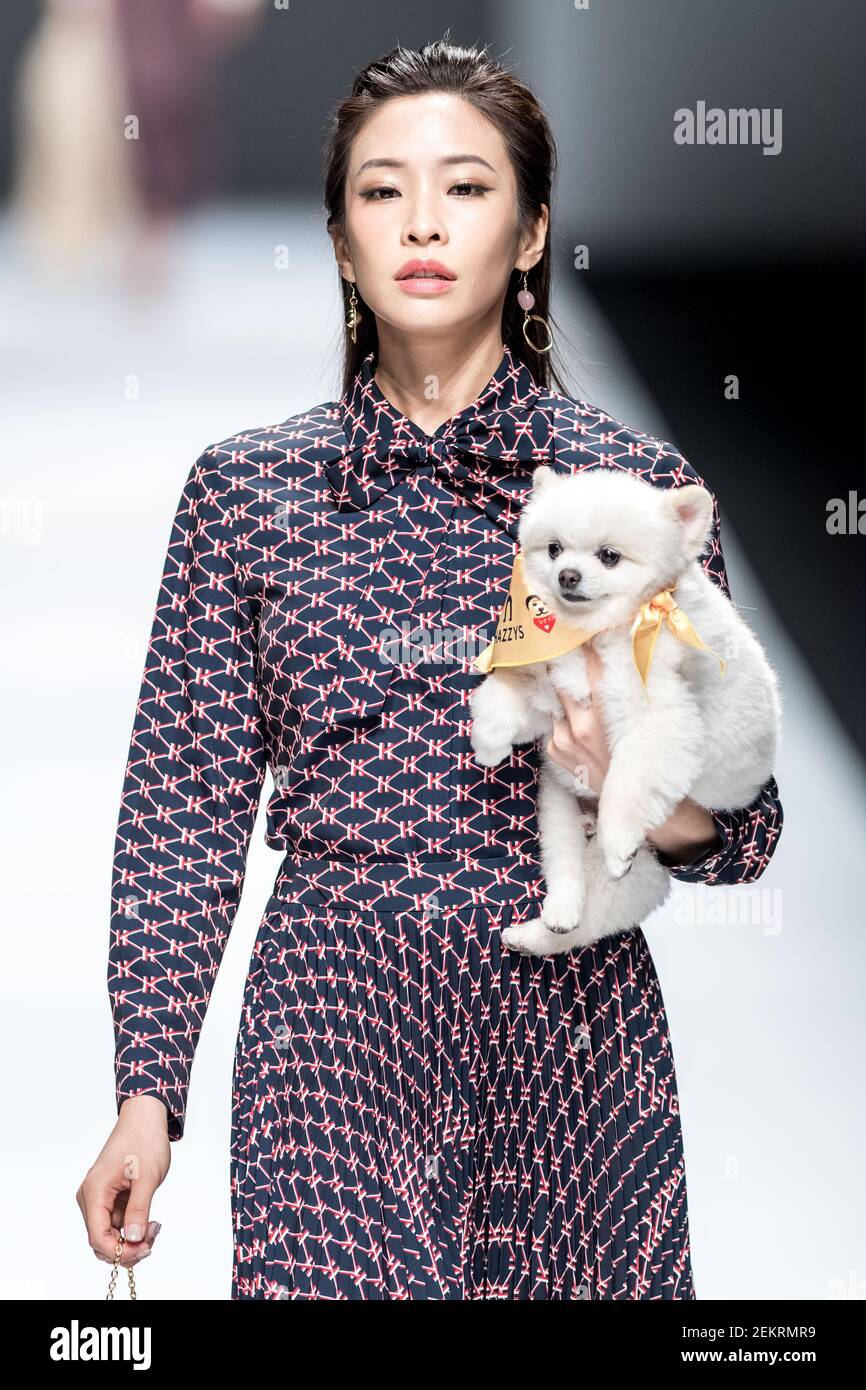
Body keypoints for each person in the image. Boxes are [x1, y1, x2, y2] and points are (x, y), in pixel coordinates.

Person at [77, 34, 783, 1299]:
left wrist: (638, 783)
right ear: (340, 240)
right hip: (330, 1028)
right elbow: (183, 806)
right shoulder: (246, 496)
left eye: (463, 187)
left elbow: (746, 828)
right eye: (379, 190)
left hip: (571, 1030)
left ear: (526, 235)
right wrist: (148, 1093)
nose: (420, 220)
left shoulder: (631, 499)